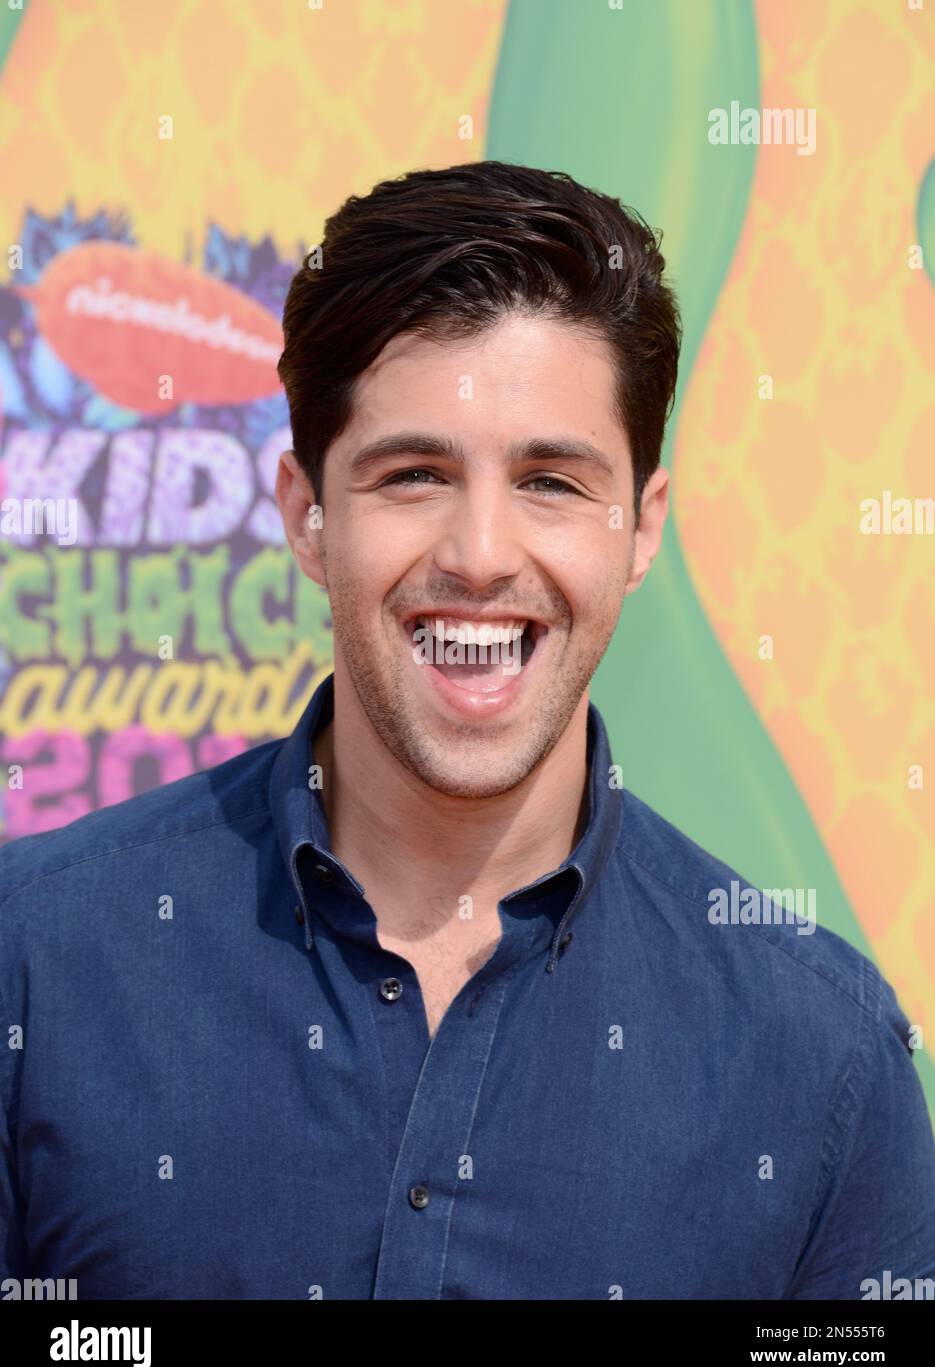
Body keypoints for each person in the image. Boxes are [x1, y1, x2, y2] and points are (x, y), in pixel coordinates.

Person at [1, 161, 933, 1300]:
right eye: (414, 474)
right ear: (306, 514)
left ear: (639, 529)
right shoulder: (32, 965)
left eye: (548, 480)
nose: (481, 552)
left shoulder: (821, 1059)